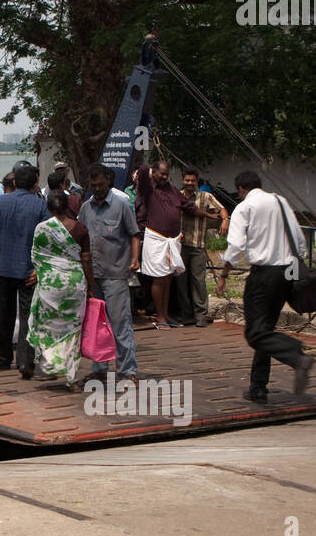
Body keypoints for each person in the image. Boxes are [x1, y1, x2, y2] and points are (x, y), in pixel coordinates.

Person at [215, 170, 315, 404]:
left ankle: (297, 356)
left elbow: (236, 245)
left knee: (255, 334)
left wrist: (224, 275)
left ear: (241, 190)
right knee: (265, 330)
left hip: (263, 275)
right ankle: (258, 387)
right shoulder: (280, 201)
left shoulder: (244, 207)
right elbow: (300, 242)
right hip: (286, 273)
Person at [0, 164, 49, 376]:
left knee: (3, 314)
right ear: (35, 184)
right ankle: (25, 362)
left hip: (1, 267)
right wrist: (41, 268)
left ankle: (2, 359)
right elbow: (48, 239)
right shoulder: (39, 206)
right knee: (28, 317)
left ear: (15, 182)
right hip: (29, 270)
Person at [78, 164, 142, 382]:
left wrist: (135, 258)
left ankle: (127, 371)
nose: (97, 188)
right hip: (92, 277)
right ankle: (99, 369)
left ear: (108, 182)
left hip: (116, 274)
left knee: (119, 325)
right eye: (93, 185)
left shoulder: (122, 204)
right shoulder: (86, 208)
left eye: (101, 184)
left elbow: (134, 234)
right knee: (96, 325)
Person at [29, 192, 96, 386]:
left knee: (47, 328)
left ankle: (48, 365)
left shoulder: (42, 229)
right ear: (67, 206)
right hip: (75, 285)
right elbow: (86, 261)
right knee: (72, 330)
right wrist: (90, 286)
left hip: (50, 286)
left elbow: (36, 257)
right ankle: (71, 377)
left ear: (48, 208)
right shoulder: (81, 229)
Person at [133, 161, 197, 330]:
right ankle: (160, 316)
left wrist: (215, 215)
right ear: (153, 173)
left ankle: (166, 314)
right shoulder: (148, 189)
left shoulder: (172, 190)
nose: (164, 177)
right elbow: (142, 171)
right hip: (156, 239)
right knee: (159, 279)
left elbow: (188, 206)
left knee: (168, 278)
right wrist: (148, 165)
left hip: (172, 240)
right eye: (161, 173)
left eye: (167, 174)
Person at [175, 165, 228, 326]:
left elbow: (222, 209)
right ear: (183, 181)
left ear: (197, 181)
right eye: (187, 180)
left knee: (198, 281)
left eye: (192, 180)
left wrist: (225, 220)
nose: (190, 183)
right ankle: (186, 315)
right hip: (180, 246)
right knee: (181, 282)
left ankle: (201, 316)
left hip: (198, 246)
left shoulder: (205, 197)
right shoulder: (177, 196)